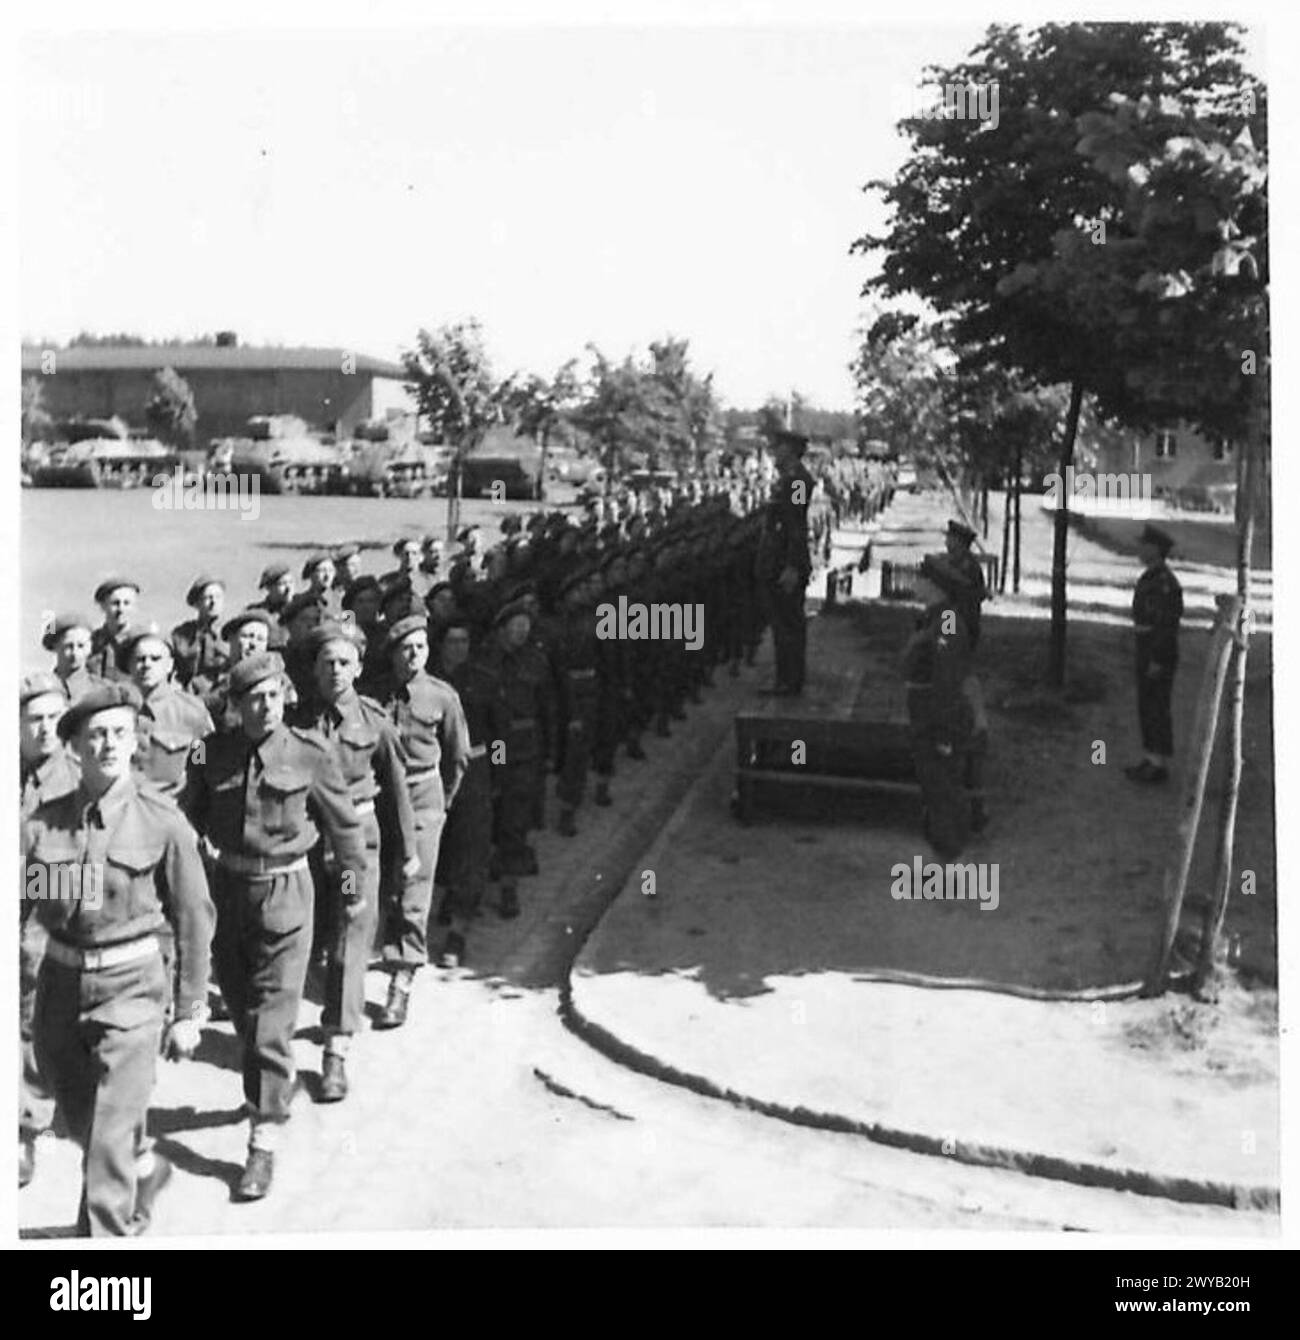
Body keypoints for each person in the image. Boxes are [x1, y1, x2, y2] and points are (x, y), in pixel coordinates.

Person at [25, 683, 214, 1235]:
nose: (108, 744)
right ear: (74, 747)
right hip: (59, 990)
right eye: (95, 734)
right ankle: (140, 1170)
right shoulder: (45, 824)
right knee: (85, 1123)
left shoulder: (162, 820)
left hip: (132, 991)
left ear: (135, 743)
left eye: (119, 733)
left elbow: (194, 918)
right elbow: (27, 908)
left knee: (107, 1138)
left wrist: (189, 1011)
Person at [181, 651, 366, 1200]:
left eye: (271, 695)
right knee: (241, 1010)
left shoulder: (311, 752)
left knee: (271, 1020)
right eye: (251, 699)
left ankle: (262, 1138)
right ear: (234, 706)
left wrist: (353, 893)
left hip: (288, 893)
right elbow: (185, 814)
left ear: (285, 694)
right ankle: (268, 1087)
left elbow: (346, 828)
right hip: (227, 895)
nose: (264, 706)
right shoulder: (210, 752)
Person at [291, 624, 419, 1099]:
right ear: (315, 670)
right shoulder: (295, 721)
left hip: (354, 850)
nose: (335, 671)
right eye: (327, 663)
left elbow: (399, 793)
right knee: (308, 937)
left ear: (359, 668)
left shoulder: (375, 722)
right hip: (308, 842)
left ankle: (336, 1051)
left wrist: (407, 852)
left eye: (344, 663)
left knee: (350, 932)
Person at [374, 616, 470, 1022]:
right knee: (384, 884)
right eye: (406, 648)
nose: (414, 655)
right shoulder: (376, 695)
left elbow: (458, 756)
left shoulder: (442, 697)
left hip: (422, 796)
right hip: (381, 799)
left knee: (414, 889)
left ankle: (402, 979)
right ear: (393, 653)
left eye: (420, 647)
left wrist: (440, 804)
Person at [19, 673, 80, 1191]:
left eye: (52, 718)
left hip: (48, 918)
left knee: (32, 1018)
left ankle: (28, 1125)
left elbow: (82, 870)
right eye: (32, 718)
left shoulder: (77, 780)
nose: (43, 728)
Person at [431, 619, 508, 965]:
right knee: (440, 845)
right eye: (452, 641)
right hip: (432, 771)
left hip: (475, 769)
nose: (459, 648)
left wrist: (496, 774)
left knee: (473, 847)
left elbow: (498, 735)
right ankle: (444, 897)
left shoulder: (483, 681)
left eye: (465, 641)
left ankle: (458, 933)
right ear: (441, 645)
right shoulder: (427, 681)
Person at [901, 555, 975, 858]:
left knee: (942, 789)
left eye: (922, 579)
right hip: (927, 715)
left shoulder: (945, 622)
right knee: (935, 788)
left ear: (935, 587)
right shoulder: (935, 617)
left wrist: (943, 732)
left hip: (937, 719)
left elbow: (947, 679)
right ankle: (944, 853)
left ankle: (948, 859)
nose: (916, 583)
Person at [756, 431, 814, 696]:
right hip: (777, 561)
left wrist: (792, 565)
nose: (773, 453)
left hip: (784, 564)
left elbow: (797, 526)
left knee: (787, 624)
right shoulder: (789, 480)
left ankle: (789, 681)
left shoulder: (798, 482)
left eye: (777, 448)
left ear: (789, 449)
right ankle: (787, 679)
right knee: (782, 624)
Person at [125, 630, 214, 799]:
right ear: (130, 666)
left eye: (155, 659)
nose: (147, 664)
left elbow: (200, 767)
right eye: (140, 659)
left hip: (173, 811)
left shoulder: (192, 713)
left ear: (170, 665)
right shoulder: (118, 710)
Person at [1126, 524, 1183, 784]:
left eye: (1143, 545)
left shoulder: (1164, 583)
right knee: (1146, 705)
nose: (1139, 549)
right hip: (1145, 645)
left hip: (1157, 648)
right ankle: (1150, 758)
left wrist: (1158, 658)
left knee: (1157, 706)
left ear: (1155, 549)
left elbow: (1166, 625)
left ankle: (1158, 764)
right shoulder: (1150, 577)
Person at [171, 577, 231, 694]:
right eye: (208, 598)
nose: (213, 602)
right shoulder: (182, 633)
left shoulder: (231, 632)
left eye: (218, 597)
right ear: (197, 603)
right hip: (188, 695)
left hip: (223, 694)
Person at [43, 613, 110, 703]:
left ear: (90, 648)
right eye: (68, 646)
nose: (75, 653)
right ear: (55, 647)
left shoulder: (103, 690)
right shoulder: (44, 686)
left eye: (81, 646)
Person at [87, 577, 140, 682]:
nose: (121, 609)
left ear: (134, 607)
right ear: (103, 606)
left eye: (127, 603)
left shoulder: (140, 642)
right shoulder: (91, 642)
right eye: (115, 603)